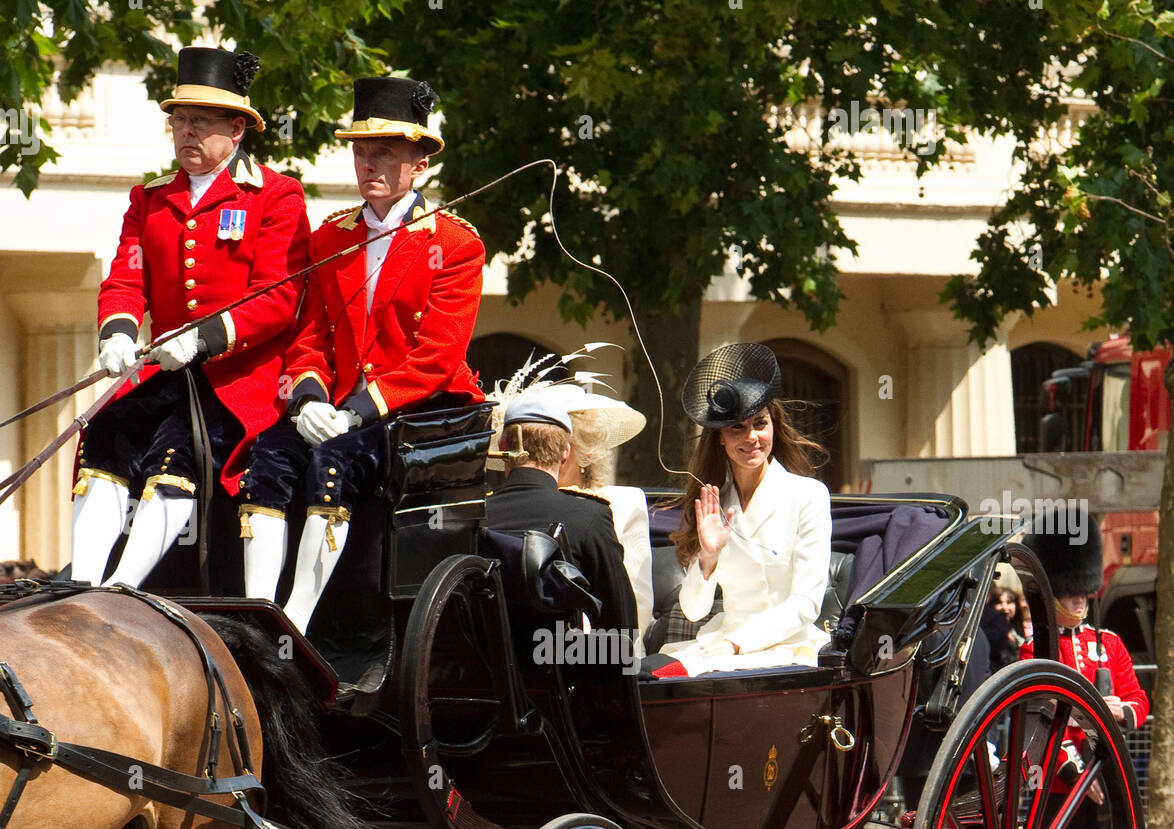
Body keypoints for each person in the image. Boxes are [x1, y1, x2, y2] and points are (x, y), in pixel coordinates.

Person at [239, 75, 485, 634]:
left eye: (385, 155)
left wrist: (356, 410)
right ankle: (258, 617)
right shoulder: (329, 238)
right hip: (339, 402)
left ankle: (296, 622)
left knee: (334, 463)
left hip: (419, 405)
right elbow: (312, 336)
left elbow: (437, 357)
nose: (368, 165)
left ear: (419, 165)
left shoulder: (455, 242)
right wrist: (306, 397)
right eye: (361, 152)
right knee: (269, 459)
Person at [71, 46, 310, 587]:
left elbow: (276, 299)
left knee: (174, 448)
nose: (186, 132)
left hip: (238, 380)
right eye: (179, 121)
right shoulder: (149, 199)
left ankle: (120, 589)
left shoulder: (276, 196)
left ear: (237, 130)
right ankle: (82, 585)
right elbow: (127, 280)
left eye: (200, 122)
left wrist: (203, 339)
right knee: (103, 431)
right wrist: (119, 332)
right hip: (167, 372)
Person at [1023, 527, 1149, 829]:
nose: (1079, 601)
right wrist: (1072, 767)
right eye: (1071, 593)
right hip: (1060, 784)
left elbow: (1139, 700)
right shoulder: (1037, 646)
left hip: (1103, 778)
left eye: (1083, 593)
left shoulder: (1108, 644)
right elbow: (1035, 716)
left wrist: (1121, 711)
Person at [655, 342, 831, 677]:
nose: (751, 437)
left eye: (760, 423)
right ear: (720, 438)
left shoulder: (808, 496)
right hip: (720, 646)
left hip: (789, 648)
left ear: (773, 427)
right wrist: (708, 554)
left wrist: (735, 644)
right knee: (656, 677)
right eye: (737, 427)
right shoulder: (712, 504)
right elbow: (693, 611)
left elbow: (806, 603)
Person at [486, 395, 639, 647]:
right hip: (560, 676)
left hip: (479, 680)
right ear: (565, 452)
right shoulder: (589, 516)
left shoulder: (473, 517)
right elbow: (621, 625)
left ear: (503, 447)